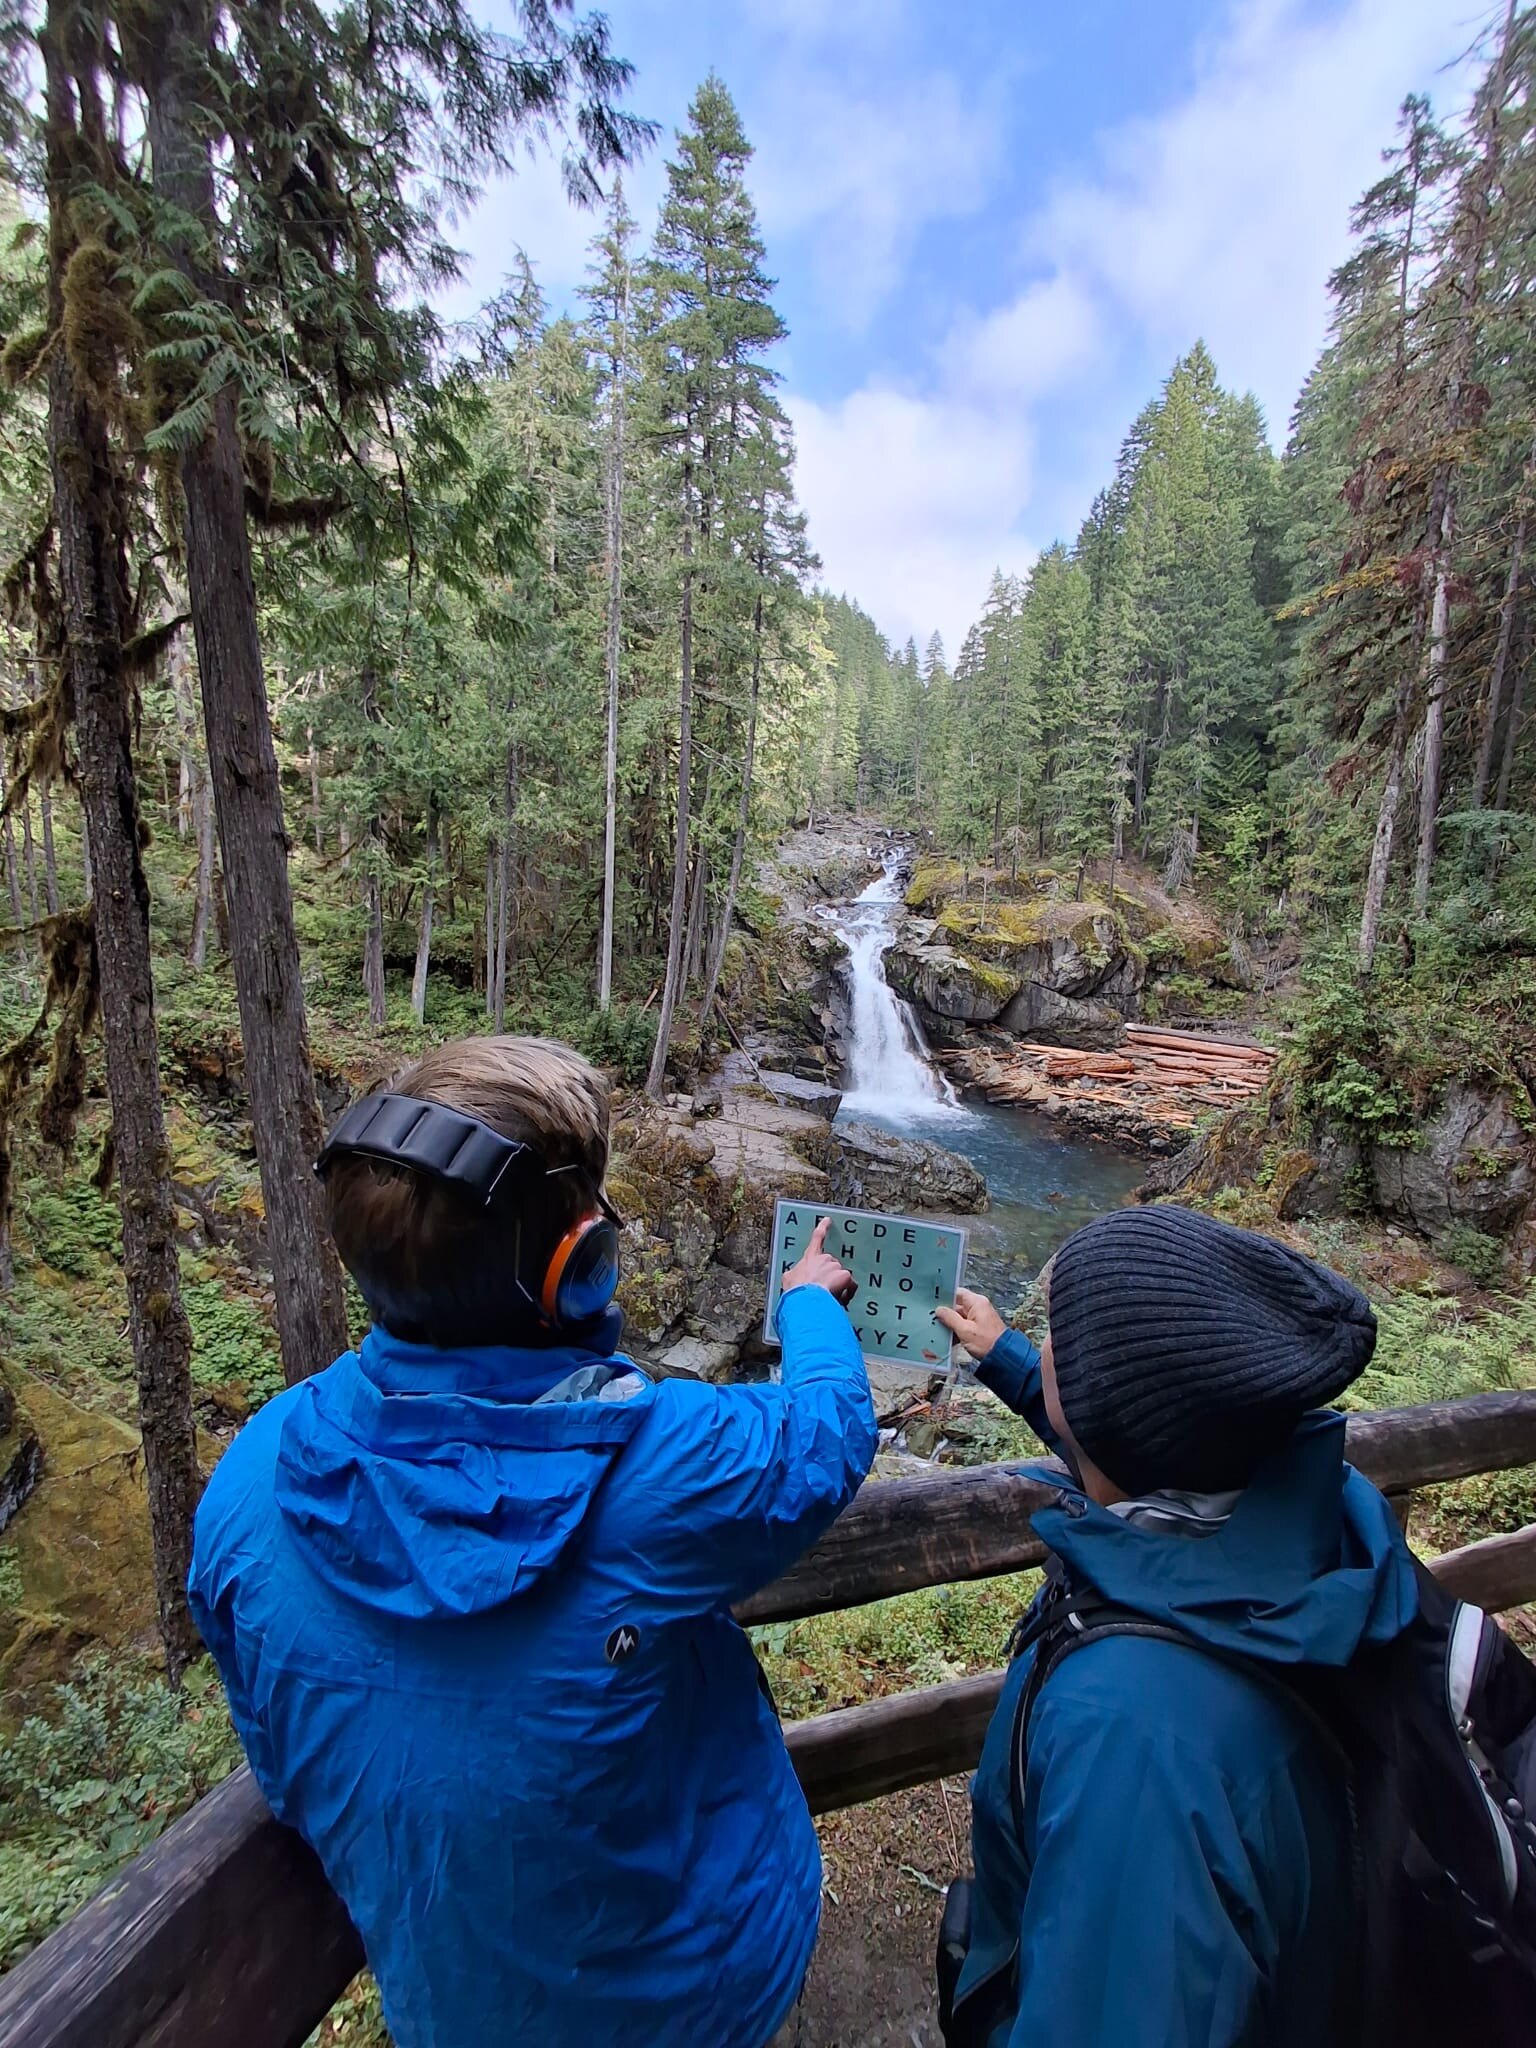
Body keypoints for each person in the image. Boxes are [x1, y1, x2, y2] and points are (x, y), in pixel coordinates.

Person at [188, 1036, 876, 2048]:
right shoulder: (664, 1460)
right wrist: (809, 1305)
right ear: (580, 1268)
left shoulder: (252, 1472)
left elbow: (286, 1765)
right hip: (701, 2000)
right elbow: (826, 1434)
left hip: (458, 2007)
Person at [933, 1203, 1418, 2048]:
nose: (1046, 1348)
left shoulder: (1133, 1740)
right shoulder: (1317, 1517)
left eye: (1056, 1340)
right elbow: (1143, 1443)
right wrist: (1009, 1359)